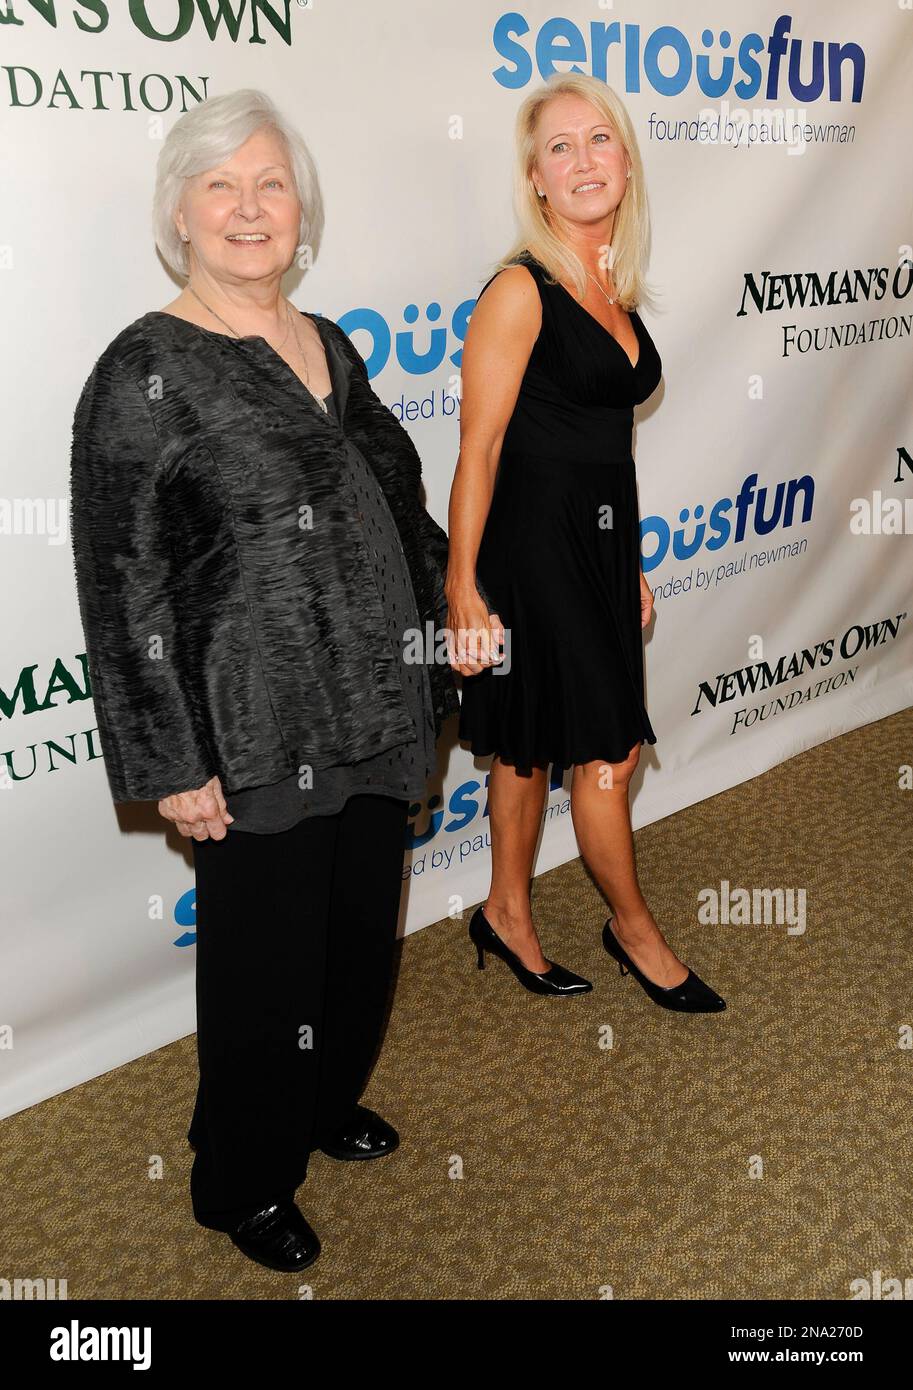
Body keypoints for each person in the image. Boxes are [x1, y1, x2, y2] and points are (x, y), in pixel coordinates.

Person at [69, 88, 463, 1273]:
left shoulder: (330, 344)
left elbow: (401, 511)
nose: (250, 208)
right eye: (220, 186)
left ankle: (322, 1099)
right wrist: (170, 759)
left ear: (303, 214)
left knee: (356, 942)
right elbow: (121, 579)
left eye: (271, 185)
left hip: (378, 707)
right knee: (265, 966)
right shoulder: (143, 368)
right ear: (178, 214)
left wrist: (459, 616)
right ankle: (242, 1175)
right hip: (253, 732)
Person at [447, 73, 725, 1013]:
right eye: (558, 148)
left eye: (597, 140)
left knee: (524, 746)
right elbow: (477, 450)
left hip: (593, 550)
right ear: (534, 179)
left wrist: (627, 560)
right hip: (526, 555)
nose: (581, 161)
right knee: (607, 753)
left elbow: (599, 448)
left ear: (625, 161)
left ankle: (505, 910)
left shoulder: (608, 284)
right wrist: (462, 591)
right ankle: (635, 932)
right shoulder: (520, 290)